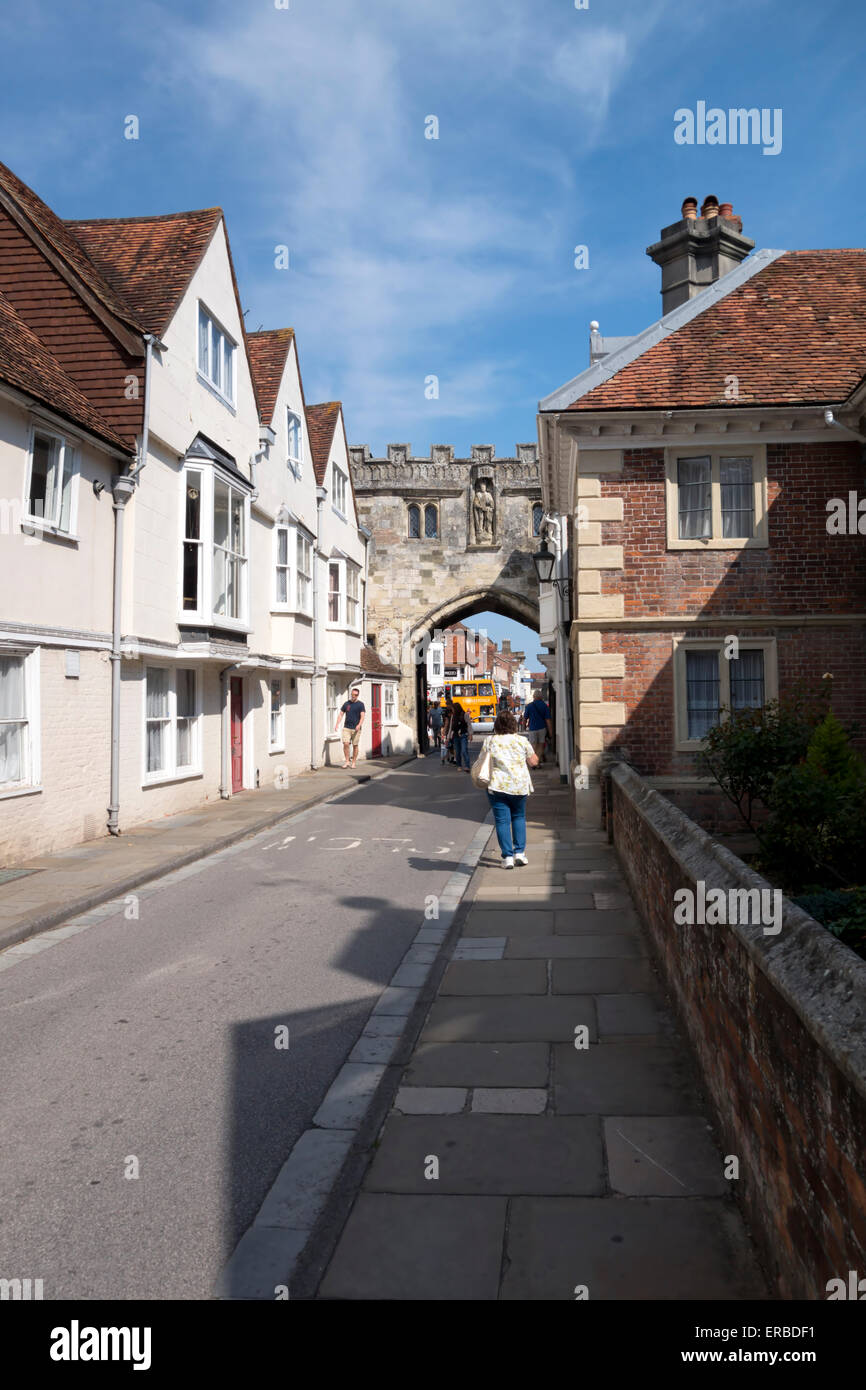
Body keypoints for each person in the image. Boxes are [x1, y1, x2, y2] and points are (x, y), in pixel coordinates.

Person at [481, 711, 539, 867]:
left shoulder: (489, 741)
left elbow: (483, 761)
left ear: (497, 725)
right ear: (514, 724)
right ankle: (519, 853)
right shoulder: (522, 740)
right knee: (519, 817)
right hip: (519, 786)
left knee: (502, 821)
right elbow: (533, 762)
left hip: (497, 786)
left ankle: (507, 858)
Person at [335, 686, 366, 768]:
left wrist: (359, 725)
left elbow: (362, 716)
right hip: (347, 728)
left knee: (355, 745)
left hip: (356, 729)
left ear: (358, 695)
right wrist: (337, 724)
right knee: (346, 744)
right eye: (352, 694)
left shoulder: (360, 705)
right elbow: (341, 714)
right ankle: (347, 761)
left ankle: (354, 762)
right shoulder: (346, 704)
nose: (353, 696)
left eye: (355, 695)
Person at [524, 688, 552, 764]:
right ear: (541, 697)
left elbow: (525, 718)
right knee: (540, 746)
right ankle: (537, 762)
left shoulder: (529, 706)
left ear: (533, 696)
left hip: (532, 729)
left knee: (533, 746)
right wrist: (550, 732)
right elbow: (548, 720)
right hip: (542, 729)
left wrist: (524, 727)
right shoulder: (544, 706)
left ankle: (532, 762)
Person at [450, 699, 472, 772]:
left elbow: (469, 724)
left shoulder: (465, 714)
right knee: (457, 751)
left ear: (456, 708)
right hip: (456, 735)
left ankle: (467, 766)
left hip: (463, 735)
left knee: (464, 750)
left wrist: (470, 734)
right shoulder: (453, 716)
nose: (452, 710)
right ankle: (459, 765)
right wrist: (448, 737)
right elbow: (451, 727)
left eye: (453, 709)